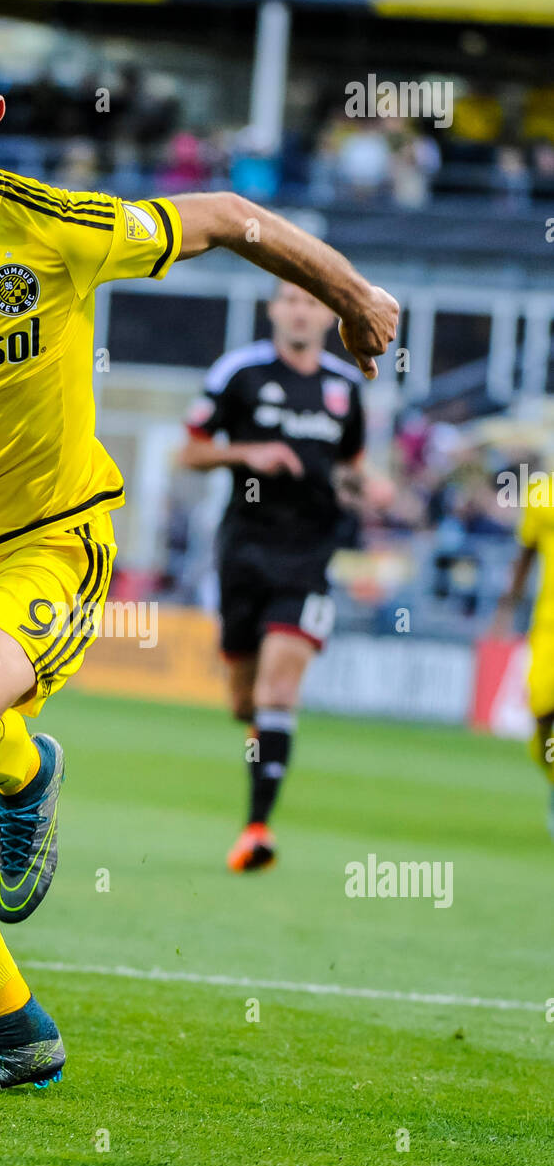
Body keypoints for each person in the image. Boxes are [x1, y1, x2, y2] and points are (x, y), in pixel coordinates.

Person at [0, 15, 398, 1091]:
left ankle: (26, 774)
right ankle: (17, 1029)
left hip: (53, 540)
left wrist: (350, 294)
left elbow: (223, 215)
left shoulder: (53, 224)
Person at [178, 281, 393, 873]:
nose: (300, 311)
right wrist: (248, 454)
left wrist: (370, 487)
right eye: (289, 301)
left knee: (278, 688)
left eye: (311, 302)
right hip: (244, 553)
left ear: (329, 315)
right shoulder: (238, 372)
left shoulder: (346, 386)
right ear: (274, 310)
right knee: (245, 698)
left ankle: (256, 829)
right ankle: (259, 741)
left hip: (310, 558)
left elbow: (348, 467)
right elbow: (189, 452)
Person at [492, 472, 554, 837]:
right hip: (549, 628)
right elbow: (525, 556)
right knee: (543, 715)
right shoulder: (542, 495)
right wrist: (505, 609)